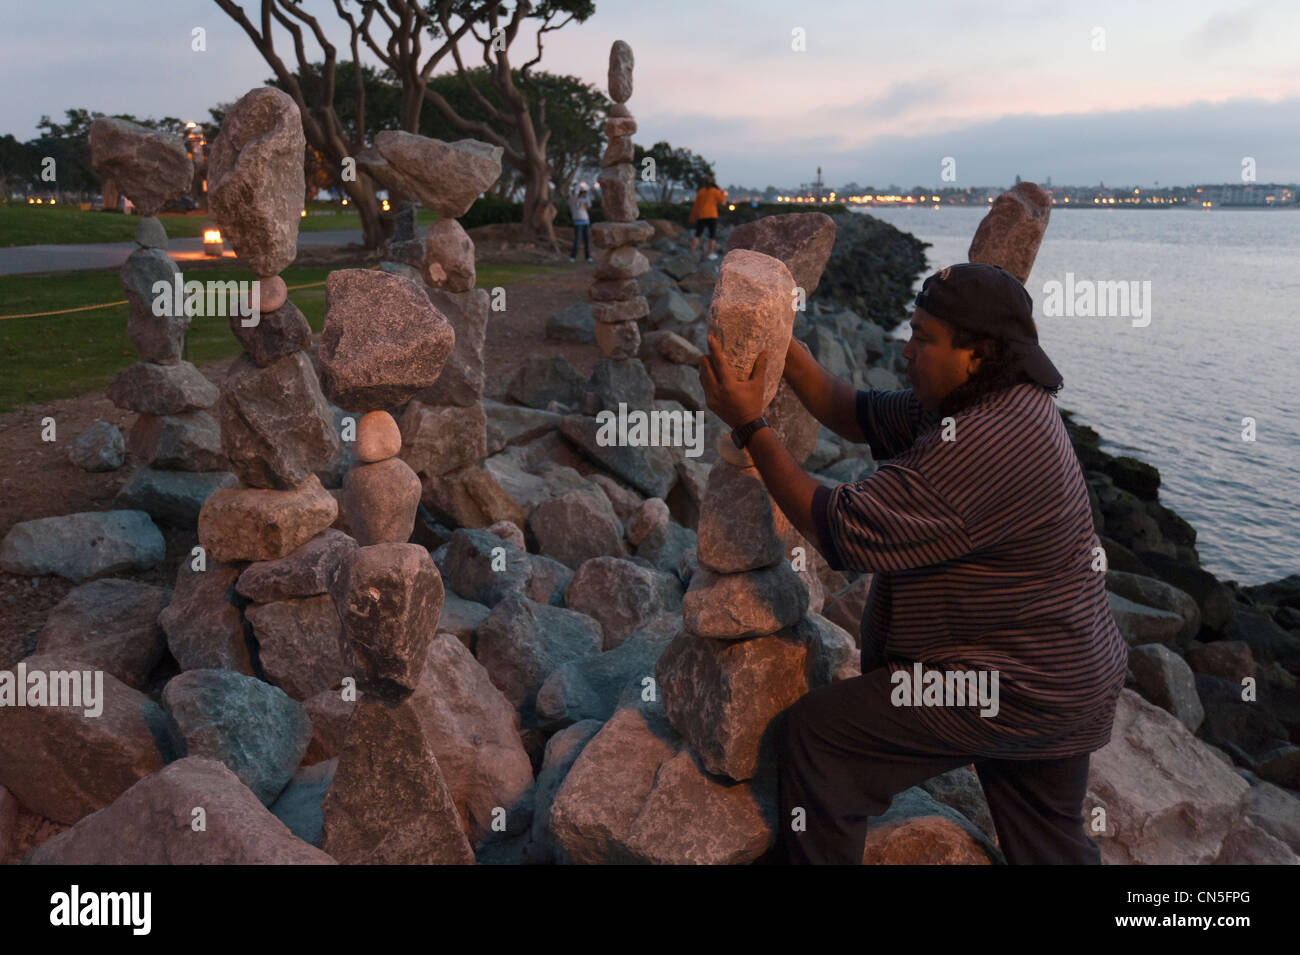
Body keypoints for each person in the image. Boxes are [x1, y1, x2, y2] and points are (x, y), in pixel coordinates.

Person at [698, 262, 1128, 865]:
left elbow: (838, 527)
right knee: (1049, 846)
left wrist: (750, 425)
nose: (907, 350)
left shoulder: (988, 439)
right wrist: (778, 343)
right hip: (1064, 675)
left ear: (977, 353)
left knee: (822, 738)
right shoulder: (981, 396)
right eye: (912, 331)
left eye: (924, 339)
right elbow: (852, 412)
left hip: (1015, 684)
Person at [688, 180, 728, 259]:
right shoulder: (714, 191)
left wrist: (692, 217)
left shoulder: (701, 191)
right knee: (712, 236)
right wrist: (722, 193)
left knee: (697, 234)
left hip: (702, 216)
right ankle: (710, 254)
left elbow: (695, 206)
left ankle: (692, 252)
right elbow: (722, 202)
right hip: (712, 216)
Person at [569, 182, 592, 263]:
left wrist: (587, 192)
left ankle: (588, 257)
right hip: (577, 223)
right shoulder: (572, 200)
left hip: (586, 222)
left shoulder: (584, 199)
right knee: (577, 241)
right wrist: (579, 185)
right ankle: (573, 257)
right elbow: (575, 193)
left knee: (587, 241)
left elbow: (589, 205)